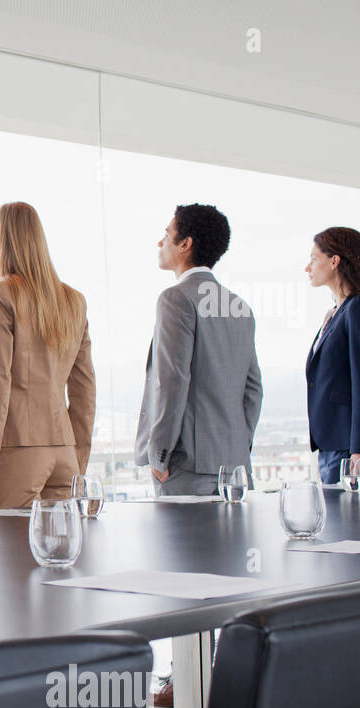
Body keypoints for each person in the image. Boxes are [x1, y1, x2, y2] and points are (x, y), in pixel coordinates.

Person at [0, 202, 95, 511]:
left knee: (9, 555)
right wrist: (77, 458)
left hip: (17, 452)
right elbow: (85, 391)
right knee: (59, 553)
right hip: (65, 454)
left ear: (0, 238)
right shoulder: (74, 301)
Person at [134, 203, 262, 496]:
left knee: (184, 544)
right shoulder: (239, 306)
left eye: (166, 234)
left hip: (186, 469)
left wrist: (159, 456)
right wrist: (237, 447)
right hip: (235, 469)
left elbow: (172, 382)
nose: (160, 242)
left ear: (185, 244)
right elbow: (253, 390)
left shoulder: (175, 299)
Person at [304, 226, 360, 484]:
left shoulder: (359, 307)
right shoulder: (337, 312)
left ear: (334, 261)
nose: (307, 268)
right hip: (334, 441)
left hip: (351, 447)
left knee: (351, 522)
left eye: (313, 259)